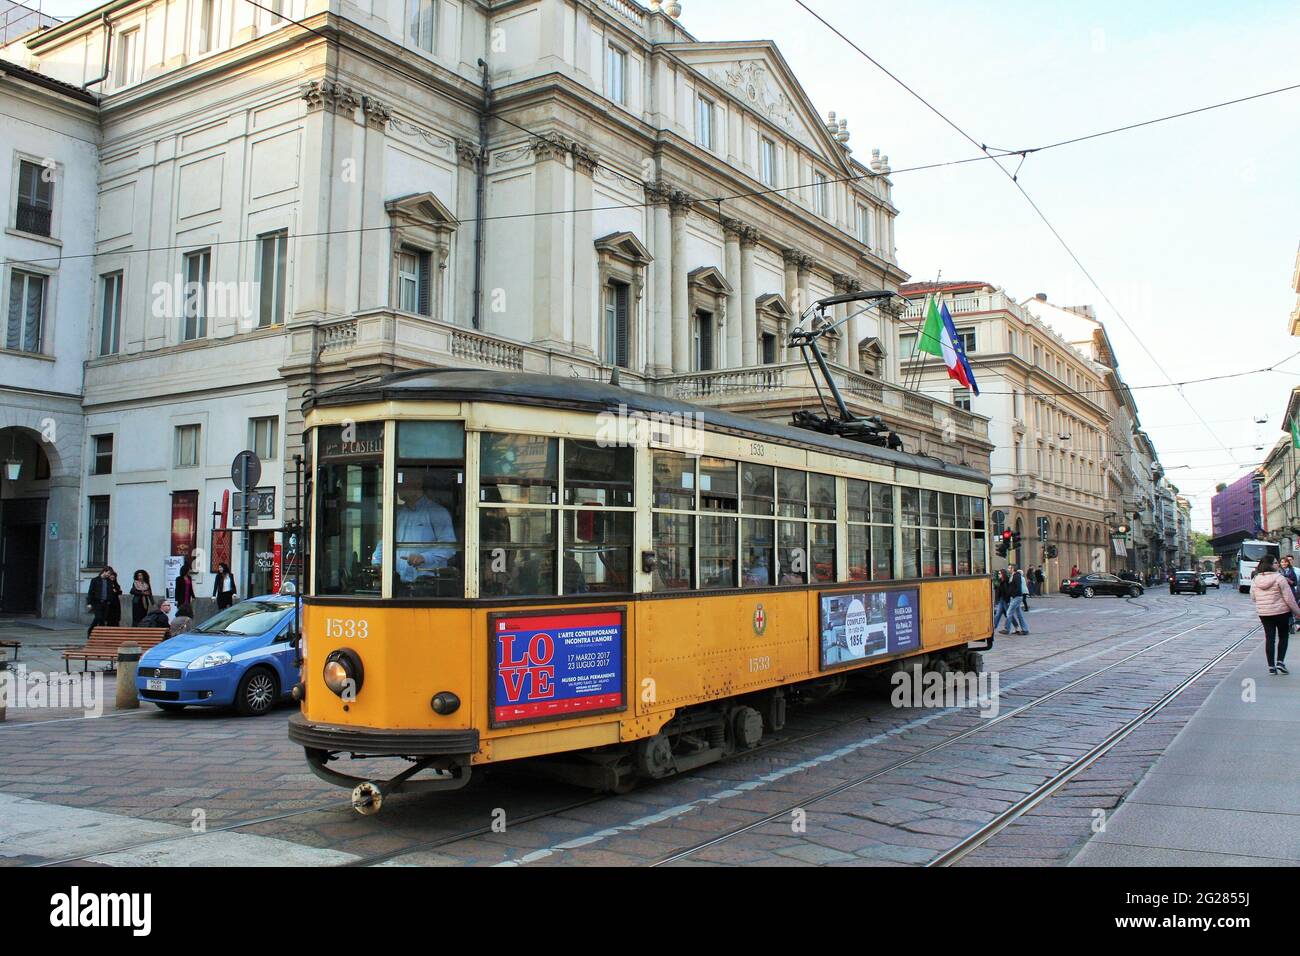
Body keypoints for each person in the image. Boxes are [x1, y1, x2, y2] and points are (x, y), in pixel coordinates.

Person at [373, 473, 457, 586]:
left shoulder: (437, 512)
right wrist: (377, 563)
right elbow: (384, 543)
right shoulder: (396, 514)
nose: (398, 486)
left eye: (402, 481)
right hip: (396, 585)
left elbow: (449, 547)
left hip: (427, 585)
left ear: (418, 484)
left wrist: (424, 557)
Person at [1250, 556, 1300, 675]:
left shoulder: (1255, 579)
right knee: (1283, 636)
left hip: (1264, 613)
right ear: (1270, 565)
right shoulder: (1280, 578)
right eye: (1276, 563)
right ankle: (1280, 662)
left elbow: (1253, 597)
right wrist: (1297, 612)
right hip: (1281, 612)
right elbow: (1289, 598)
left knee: (1269, 638)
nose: (1278, 564)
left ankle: (1271, 666)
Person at [85, 567, 117, 636]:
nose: (109, 575)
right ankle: (90, 631)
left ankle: (101, 634)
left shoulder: (109, 581)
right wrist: (89, 602)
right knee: (98, 617)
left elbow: (110, 592)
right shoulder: (95, 580)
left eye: (110, 574)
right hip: (97, 602)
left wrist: (110, 600)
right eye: (108, 573)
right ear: (104, 572)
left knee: (103, 619)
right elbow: (90, 592)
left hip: (106, 602)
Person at [1008, 566, 1030, 635]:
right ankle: (1023, 629)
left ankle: (1007, 628)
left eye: (1009, 568)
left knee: (1008, 613)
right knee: (1019, 614)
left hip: (1016, 597)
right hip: (1016, 596)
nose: (1008, 569)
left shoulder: (1016, 576)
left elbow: (1017, 587)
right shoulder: (1013, 576)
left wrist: (1013, 594)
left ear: (1013, 569)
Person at [993, 569, 1011, 635]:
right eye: (998, 574)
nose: (999, 575)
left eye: (1000, 573)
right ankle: (994, 627)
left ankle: (1014, 627)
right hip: (1001, 599)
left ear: (1003, 574)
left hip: (1005, 600)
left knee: (1009, 614)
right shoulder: (999, 581)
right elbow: (997, 590)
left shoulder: (1006, 581)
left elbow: (1006, 591)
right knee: (998, 614)